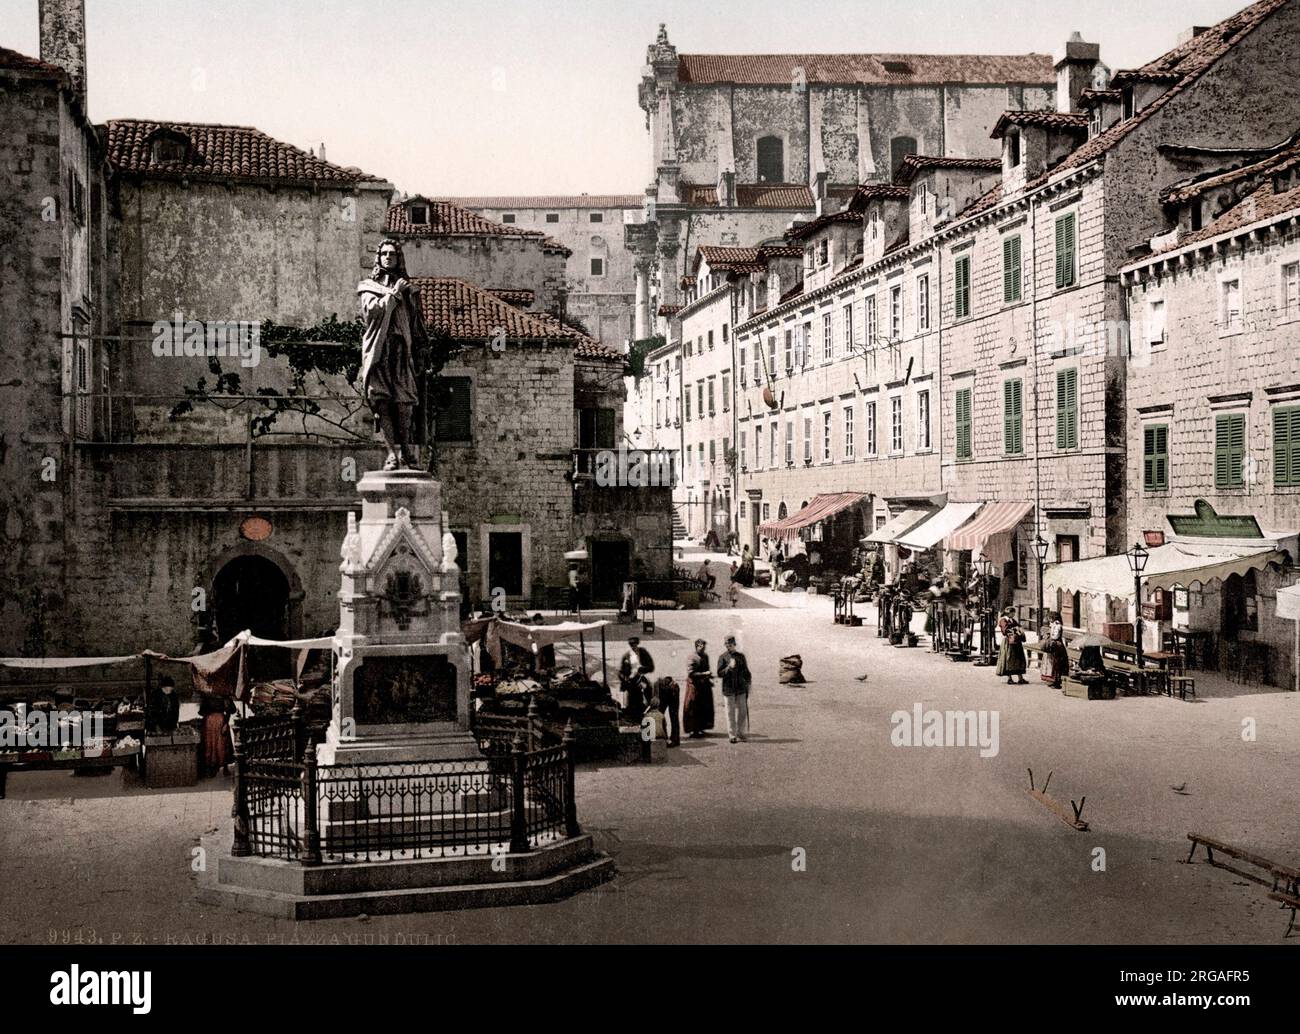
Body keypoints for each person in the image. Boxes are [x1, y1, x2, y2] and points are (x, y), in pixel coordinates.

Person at [357, 238, 430, 471]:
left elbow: (417, 323)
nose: (388, 257)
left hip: (402, 350)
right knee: (381, 401)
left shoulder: (409, 290)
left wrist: (421, 349)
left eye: (392, 254)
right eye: (384, 254)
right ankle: (391, 455)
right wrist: (392, 296)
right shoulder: (368, 287)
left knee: (405, 402)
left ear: (399, 259)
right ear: (378, 258)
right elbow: (372, 313)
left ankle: (407, 451)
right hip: (379, 349)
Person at [717, 635, 752, 743]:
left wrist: (749, 684)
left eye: (730, 645)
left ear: (734, 645)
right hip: (728, 689)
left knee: (742, 711)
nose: (728, 647)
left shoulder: (741, 656)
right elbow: (719, 673)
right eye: (727, 645)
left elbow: (746, 672)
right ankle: (732, 735)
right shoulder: (722, 657)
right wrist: (728, 668)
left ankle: (741, 732)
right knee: (730, 712)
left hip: (741, 688)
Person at [682, 639, 716, 738]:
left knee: (704, 707)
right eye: (701, 646)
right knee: (693, 708)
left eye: (704, 646)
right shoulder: (692, 658)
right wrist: (704, 674)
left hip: (704, 686)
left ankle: (701, 728)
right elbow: (691, 673)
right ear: (696, 646)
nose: (703, 648)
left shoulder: (705, 656)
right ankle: (693, 730)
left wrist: (710, 679)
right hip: (694, 686)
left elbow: (707, 669)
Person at [618, 636, 655, 717]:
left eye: (635, 645)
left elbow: (651, 667)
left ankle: (647, 707)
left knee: (646, 689)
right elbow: (621, 671)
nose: (633, 647)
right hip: (630, 679)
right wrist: (624, 677)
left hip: (641, 677)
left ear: (637, 644)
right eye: (632, 645)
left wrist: (642, 669)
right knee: (627, 697)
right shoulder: (626, 656)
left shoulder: (643, 652)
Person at [200, 696, 233, 776]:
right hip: (214, 721)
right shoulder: (211, 695)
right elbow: (230, 710)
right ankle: (214, 767)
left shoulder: (211, 695)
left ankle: (217, 767)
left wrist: (225, 723)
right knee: (213, 744)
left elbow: (202, 711)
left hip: (216, 721)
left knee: (220, 744)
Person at [996, 607, 1030, 685]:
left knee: (1018, 659)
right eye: (1013, 613)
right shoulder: (1003, 620)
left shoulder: (1012, 620)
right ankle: (1009, 678)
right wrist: (1015, 629)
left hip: (1016, 641)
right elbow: (1005, 631)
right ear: (1009, 613)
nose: (1014, 614)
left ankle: (1020, 678)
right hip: (1008, 642)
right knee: (1009, 659)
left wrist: (1018, 629)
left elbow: (1019, 626)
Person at [652, 676, 681, 747]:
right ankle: (673, 739)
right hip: (670, 684)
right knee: (673, 716)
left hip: (666, 686)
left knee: (662, 715)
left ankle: (666, 739)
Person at [1042, 613, 1069, 689]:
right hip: (1053, 645)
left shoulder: (1058, 625)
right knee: (1052, 663)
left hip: (1057, 646)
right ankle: (1053, 680)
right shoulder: (1053, 625)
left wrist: (1049, 635)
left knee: (1057, 664)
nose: (1049, 620)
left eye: (1050, 618)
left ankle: (1057, 682)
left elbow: (1055, 636)